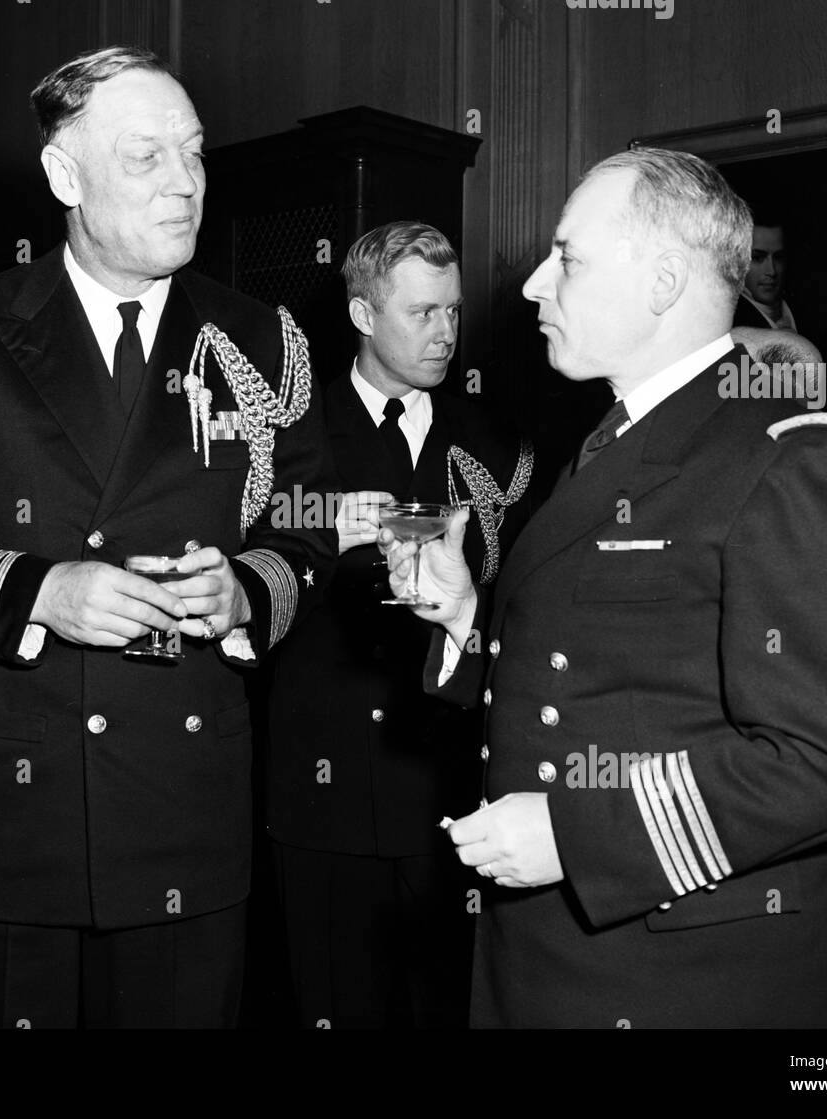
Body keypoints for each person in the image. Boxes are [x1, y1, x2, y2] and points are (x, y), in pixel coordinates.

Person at [0, 45, 335, 1028]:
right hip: (10, 831)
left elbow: (312, 530)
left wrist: (248, 590)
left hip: (188, 818)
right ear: (65, 177)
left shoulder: (263, 340)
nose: (187, 182)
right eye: (146, 157)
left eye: (194, 153)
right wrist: (38, 594)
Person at [382, 148, 827, 1028]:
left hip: (679, 979)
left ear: (664, 282)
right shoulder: (615, 440)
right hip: (565, 961)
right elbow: (592, 675)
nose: (533, 284)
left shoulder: (789, 457)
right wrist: (466, 613)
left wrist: (572, 835)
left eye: (568, 258)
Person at [265, 222, 532, 1028]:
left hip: (448, 785)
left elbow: (512, 599)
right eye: (422, 313)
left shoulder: (496, 440)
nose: (446, 333)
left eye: (453, 312)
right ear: (361, 313)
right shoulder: (287, 433)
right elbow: (241, 555)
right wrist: (317, 524)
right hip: (323, 784)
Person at [733, 214, 797, 330]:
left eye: (778, 257)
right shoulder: (731, 320)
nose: (771, 271)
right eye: (757, 258)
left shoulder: (802, 309)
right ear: (738, 260)